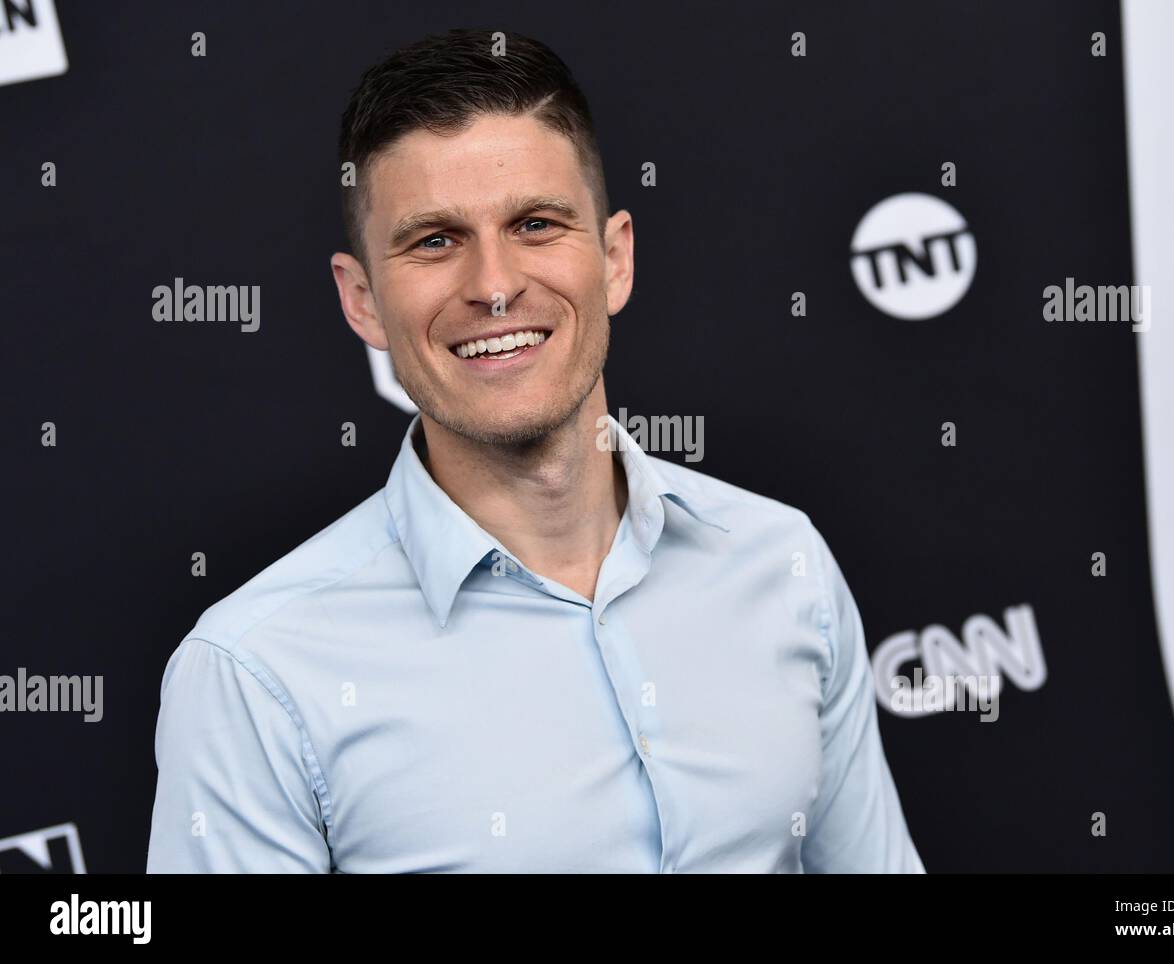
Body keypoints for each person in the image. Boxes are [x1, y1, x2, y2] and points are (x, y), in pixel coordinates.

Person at [146, 28, 925, 874]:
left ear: (615, 257)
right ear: (362, 299)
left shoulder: (784, 565)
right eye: (434, 240)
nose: (494, 284)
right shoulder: (255, 675)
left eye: (536, 223)